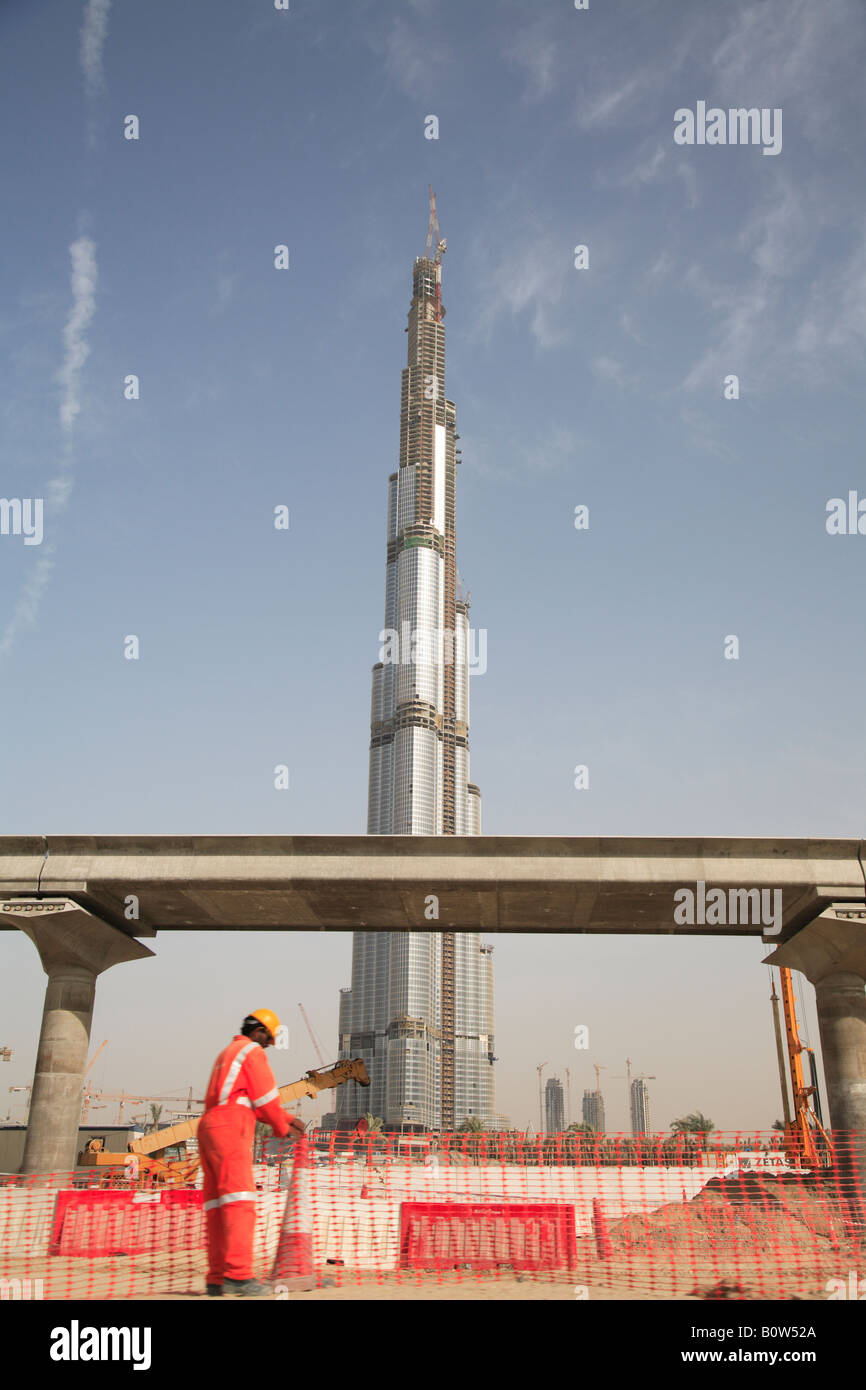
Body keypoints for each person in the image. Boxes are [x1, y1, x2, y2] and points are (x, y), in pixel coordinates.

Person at [198, 1008, 304, 1296]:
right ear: (259, 1032)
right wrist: (284, 1127)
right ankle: (239, 1275)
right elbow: (266, 1099)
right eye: (268, 1040)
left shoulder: (227, 1053)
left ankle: (217, 1277)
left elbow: (245, 1099)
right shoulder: (252, 1052)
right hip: (230, 1128)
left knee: (218, 1207)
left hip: (209, 1126)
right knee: (240, 1201)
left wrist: (280, 1119)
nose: (268, 1045)